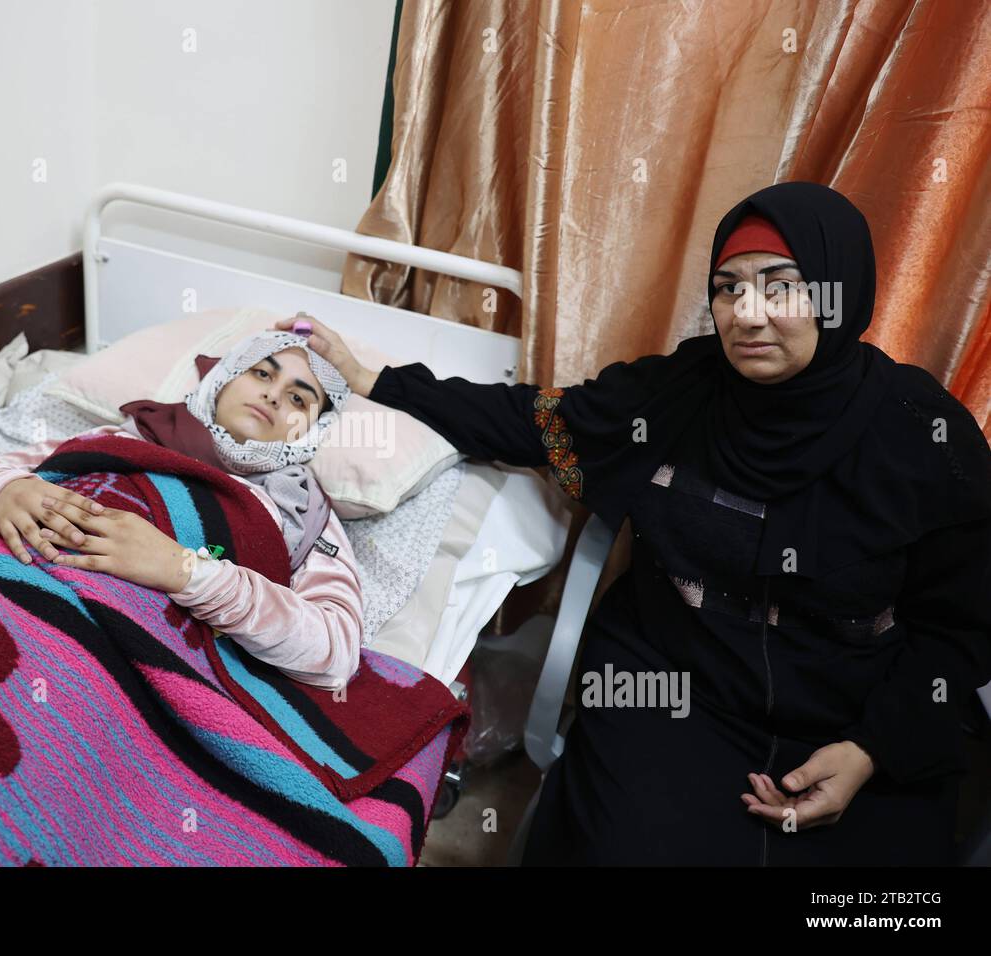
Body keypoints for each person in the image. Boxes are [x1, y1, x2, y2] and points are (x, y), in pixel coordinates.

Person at [279, 182, 991, 865]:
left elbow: (961, 627)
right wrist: (378, 380)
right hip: (677, 690)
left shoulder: (925, 441)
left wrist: (873, 750)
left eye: (781, 285)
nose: (747, 313)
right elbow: (538, 424)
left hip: (856, 713)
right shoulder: (679, 393)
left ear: (842, 292)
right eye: (728, 287)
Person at [0, 330, 364, 691]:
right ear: (223, 378)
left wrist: (184, 571)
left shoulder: (301, 513)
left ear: (315, 428)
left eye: (298, 398)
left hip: (110, 668)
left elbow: (336, 652)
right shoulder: (123, 439)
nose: (272, 395)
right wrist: (4, 492)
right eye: (262, 373)